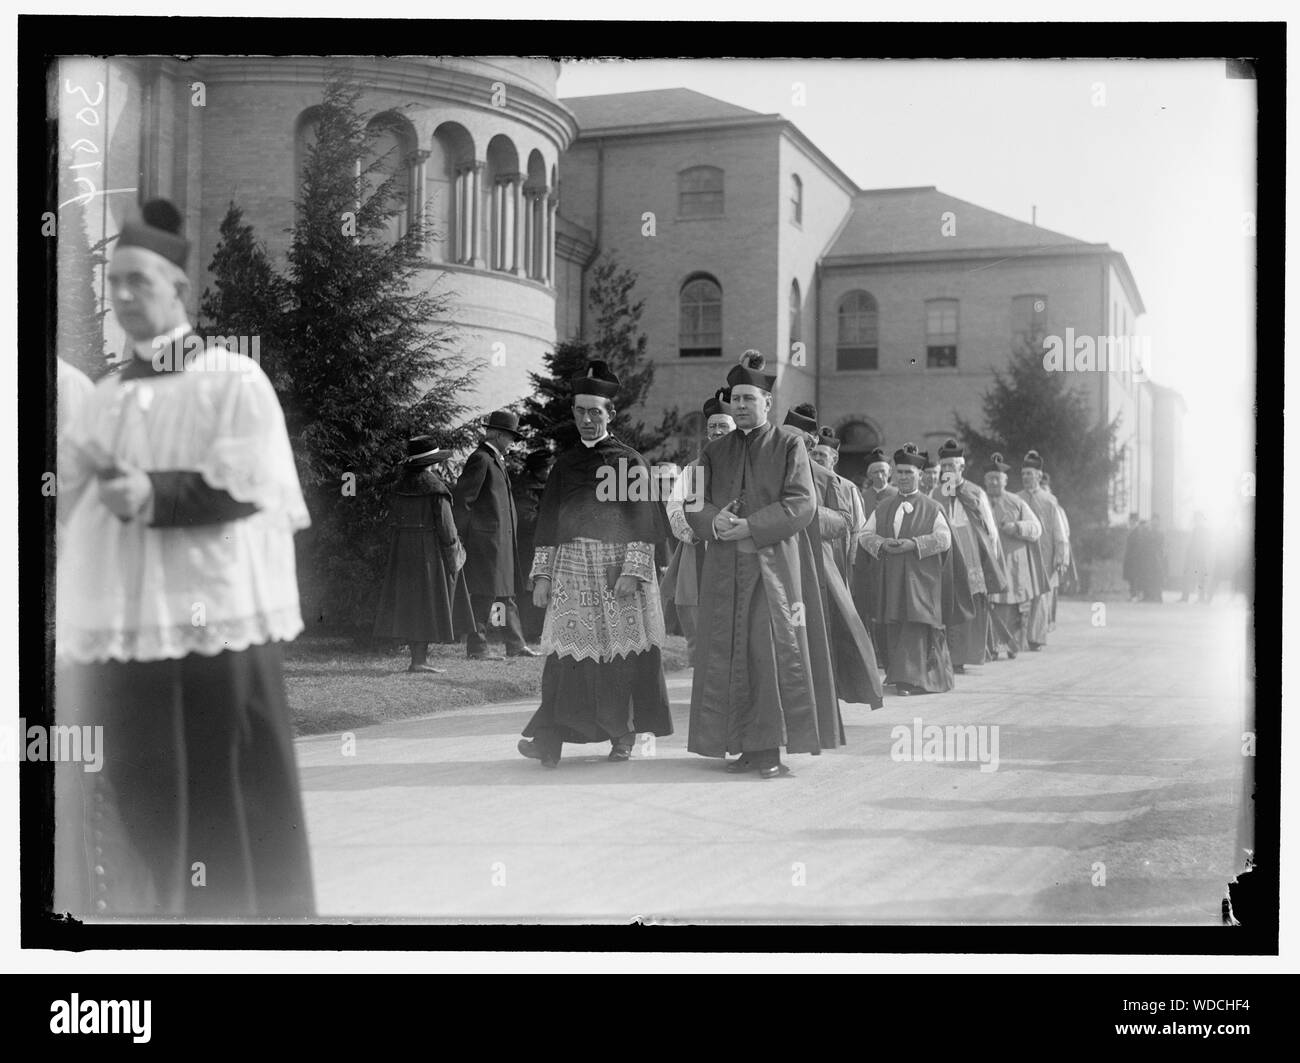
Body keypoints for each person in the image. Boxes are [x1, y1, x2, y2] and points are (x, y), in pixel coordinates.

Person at [54, 198, 314, 917]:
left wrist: (152, 492)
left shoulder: (231, 380)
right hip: (129, 632)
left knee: (223, 791)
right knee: (144, 796)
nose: (127, 296)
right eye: (116, 284)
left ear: (178, 288)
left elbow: (251, 485)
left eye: (142, 280)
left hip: (214, 625)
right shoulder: (103, 397)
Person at [687, 351, 841, 779]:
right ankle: (741, 745)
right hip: (725, 570)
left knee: (766, 653)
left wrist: (751, 526)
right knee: (729, 654)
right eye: (735, 399)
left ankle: (769, 747)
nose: (740, 406)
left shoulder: (789, 444)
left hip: (771, 569)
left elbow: (802, 503)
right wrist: (713, 520)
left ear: (767, 403)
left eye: (749, 399)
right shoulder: (715, 449)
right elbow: (693, 501)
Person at [518, 361, 673, 768]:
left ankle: (622, 735)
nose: (587, 420)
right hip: (570, 570)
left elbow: (645, 525)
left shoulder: (629, 461)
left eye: (595, 412)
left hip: (615, 570)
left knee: (618, 658)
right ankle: (548, 739)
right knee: (566, 656)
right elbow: (548, 523)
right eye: (580, 412)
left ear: (610, 414)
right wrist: (542, 575)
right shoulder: (565, 464)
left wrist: (634, 571)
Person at [784, 405, 883, 710]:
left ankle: (817, 699)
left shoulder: (827, 479)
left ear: (810, 444)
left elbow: (843, 521)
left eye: (797, 440)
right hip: (777, 560)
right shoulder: (768, 471)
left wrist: (805, 512)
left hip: (817, 565)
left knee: (817, 630)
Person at [372, 436, 474, 672]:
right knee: (428, 603)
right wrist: (454, 555)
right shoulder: (436, 489)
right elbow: (447, 529)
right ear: (431, 463)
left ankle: (416, 659)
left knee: (410, 603)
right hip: (429, 551)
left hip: (402, 549)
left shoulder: (399, 487)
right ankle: (419, 661)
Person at [861, 443, 955, 695]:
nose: (903, 477)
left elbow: (944, 539)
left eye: (909, 473)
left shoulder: (932, 507)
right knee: (896, 623)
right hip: (891, 576)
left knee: (916, 624)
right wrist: (881, 543)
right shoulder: (883, 507)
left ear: (920, 475)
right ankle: (900, 676)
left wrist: (913, 544)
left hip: (921, 579)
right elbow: (864, 534)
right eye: (900, 472)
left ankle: (914, 680)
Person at [451, 410, 538, 660]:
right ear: (498, 435)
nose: (513, 442)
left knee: (505, 593)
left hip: (499, 543)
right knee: (485, 594)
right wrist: (463, 537)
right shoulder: (481, 459)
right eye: (511, 437)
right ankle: (477, 648)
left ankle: (516, 644)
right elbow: (464, 500)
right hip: (486, 543)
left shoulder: (494, 459)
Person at [661, 390, 733, 665]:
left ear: (735, 428)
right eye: (712, 427)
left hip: (741, 549)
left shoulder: (750, 465)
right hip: (699, 549)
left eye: (722, 426)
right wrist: (690, 533)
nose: (716, 432)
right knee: (699, 619)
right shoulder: (692, 469)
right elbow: (674, 505)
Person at [932, 438, 1007, 672]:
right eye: (944, 467)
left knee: (971, 603)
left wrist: (990, 561)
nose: (947, 471)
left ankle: (965, 655)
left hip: (971, 555)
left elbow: (991, 532)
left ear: (961, 468)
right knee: (948, 602)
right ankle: (947, 656)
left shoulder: (976, 492)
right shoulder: (936, 494)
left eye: (951, 467)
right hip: (946, 555)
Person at [983, 454, 1045, 660]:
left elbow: (1036, 529)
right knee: (987, 605)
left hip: (1012, 565)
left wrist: (1016, 527)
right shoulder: (977, 501)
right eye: (990, 478)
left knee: (1010, 607)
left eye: (997, 479)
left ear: (1005, 481)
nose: (993, 482)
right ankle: (990, 646)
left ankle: (1011, 645)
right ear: (985, 481)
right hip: (986, 564)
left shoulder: (1016, 503)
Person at [1018, 450, 1069, 650]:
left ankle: (1036, 638)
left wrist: (1061, 558)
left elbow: (1060, 532)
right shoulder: (1016, 498)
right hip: (1021, 554)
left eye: (1030, 474)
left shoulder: (1049, 501)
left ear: (1039, 476)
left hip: (1044, 555)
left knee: (1040, 596)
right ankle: (1018, 636)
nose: (1026, 478)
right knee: (1021, 596)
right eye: (1023, 474)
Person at [852, 445, 898, 667]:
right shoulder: (862, 496)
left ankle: (891, 655)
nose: (879, 476)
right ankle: (875, 655)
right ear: (869, 476)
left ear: (889, 473)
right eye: (874, 473)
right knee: (870, 605)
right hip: (868, 558)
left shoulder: (897, 495)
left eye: (883, 471)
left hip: (893, 557)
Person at [513, 448, 554, 641]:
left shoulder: (545, 486)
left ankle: (538, 629)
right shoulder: (526, 489)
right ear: (539, 470)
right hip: (530, 546)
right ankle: (531, 631)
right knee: (531, 588)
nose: (551, 470)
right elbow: (526, 518)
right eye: (548, 467)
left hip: (543, 545)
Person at [1181, 510, 1214, 603]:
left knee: (1199, 578)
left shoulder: (1201, 530)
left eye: (1197, 518)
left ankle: (1197, 597)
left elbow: (1204, 544)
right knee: (1194, 577)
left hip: (1199, 556)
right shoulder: (1196, 529)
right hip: (1195, 556)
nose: (1195, 520)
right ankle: (1189, 596)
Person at [1142, 513, 1167, 603]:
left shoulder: (1159, 533)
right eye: (1153, 520)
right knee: (1149, 577)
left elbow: (1161, 546)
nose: (1154, 522)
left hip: (1156, 558)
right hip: (1150, 558)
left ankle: (1157, 596)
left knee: (1156, 578)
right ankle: (1149, 596)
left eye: (1155, 520)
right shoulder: (1149, 531)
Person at [1121, 512, 1144, 602]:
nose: (1131, 521)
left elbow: (1137, 546)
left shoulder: (1137, 531)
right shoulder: (1132, 531)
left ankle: (1135, 595)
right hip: (1130, 558)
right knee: (1131, 577)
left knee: (1134, 577)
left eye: (1133, 520)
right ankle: (1133, 594)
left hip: (1134, 559)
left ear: (1135, 521)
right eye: (1131, 520)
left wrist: (1134, 557)